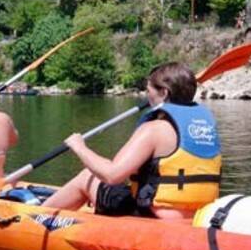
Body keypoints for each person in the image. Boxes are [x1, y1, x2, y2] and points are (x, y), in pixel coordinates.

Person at [47, 62, 221, 220]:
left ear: (164, 92)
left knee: (88, 177)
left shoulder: (154, 129)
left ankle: (32, 218)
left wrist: (79, 147)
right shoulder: (206, 126)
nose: (147, 96)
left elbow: (112, 175)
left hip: (153, 216)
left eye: (149, 90)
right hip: (197, 215)